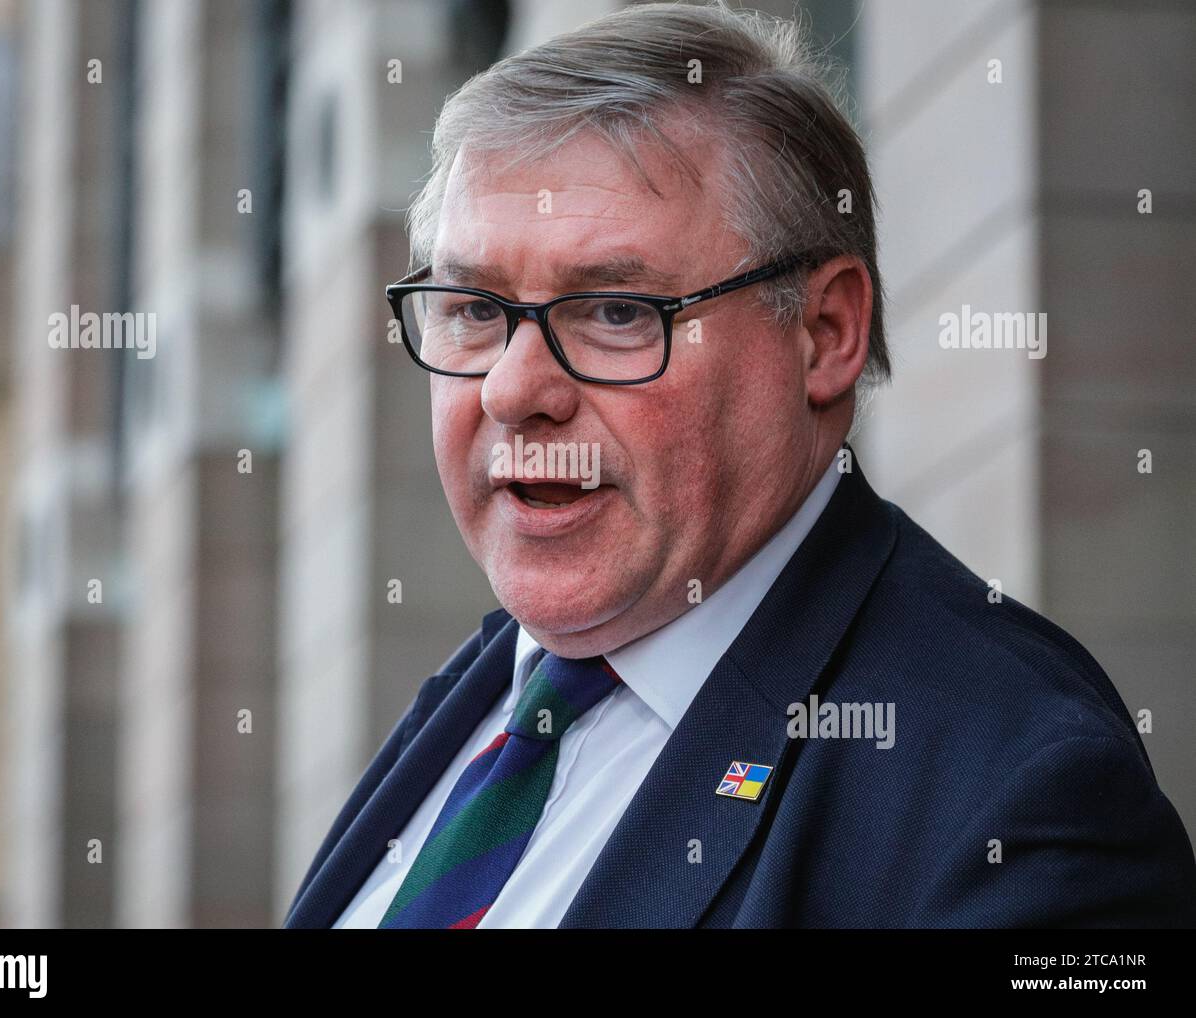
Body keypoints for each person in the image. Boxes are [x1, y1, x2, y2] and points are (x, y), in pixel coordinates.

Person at [284, 1, 1196, 928]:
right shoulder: (480, 695)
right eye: (475, 310)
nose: (514, 390)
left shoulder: (1017, 790)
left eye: (615, 310)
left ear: (824, 332)